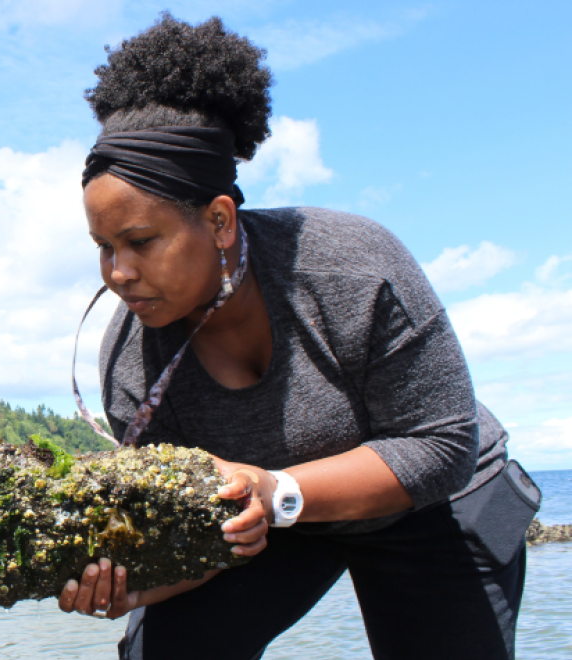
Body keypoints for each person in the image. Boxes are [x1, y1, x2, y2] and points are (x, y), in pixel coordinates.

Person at [56, 15, 539, 660]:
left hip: (430, 504)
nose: (119, 273)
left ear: (220, 220)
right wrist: (131, 586)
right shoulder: (131, 367)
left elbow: (444, 442)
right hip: (274, 523)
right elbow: (207, 539)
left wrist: (278, 490)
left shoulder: (353, 268)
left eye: (141, 242)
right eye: (104, 248)